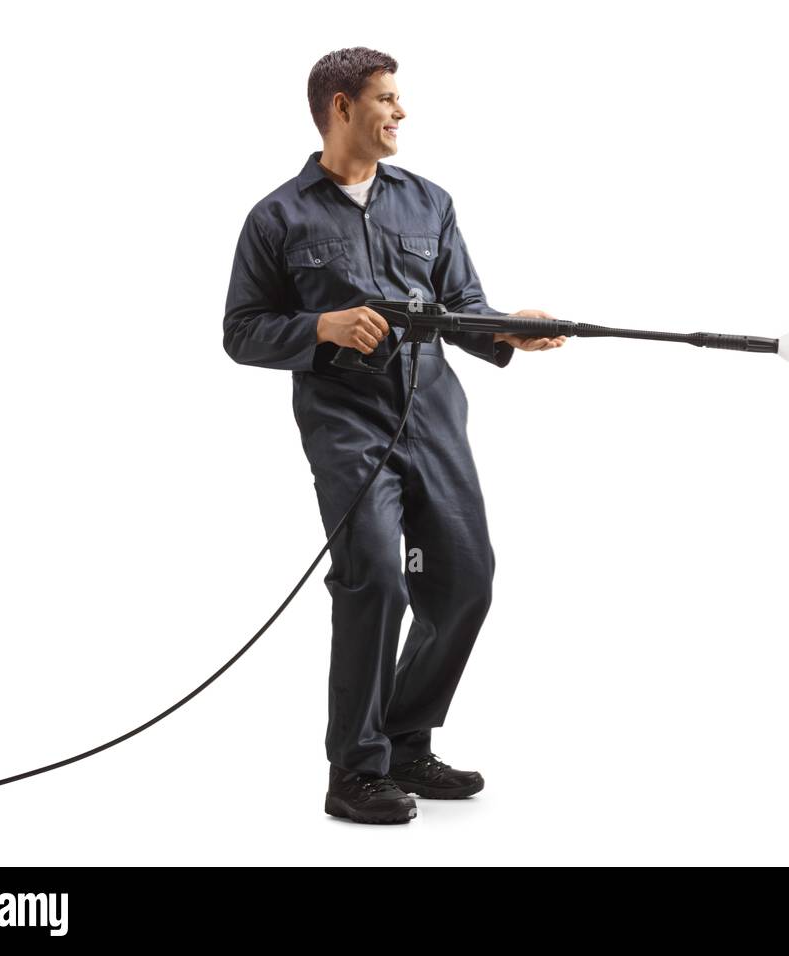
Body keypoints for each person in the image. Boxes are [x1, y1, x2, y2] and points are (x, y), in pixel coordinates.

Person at [222, 47, 563, 825]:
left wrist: (513, 330)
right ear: (341, 107)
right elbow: (241, 332)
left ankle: (406, 740)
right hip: (348, 424)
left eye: (399, 98)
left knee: (466, 579)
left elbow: (461, 304)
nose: (400, 112)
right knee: (376, 575)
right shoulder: (277, 217)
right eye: (386, 98)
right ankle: (355, 769)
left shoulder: (430, 202)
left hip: (434, 414)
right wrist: (322, 326)